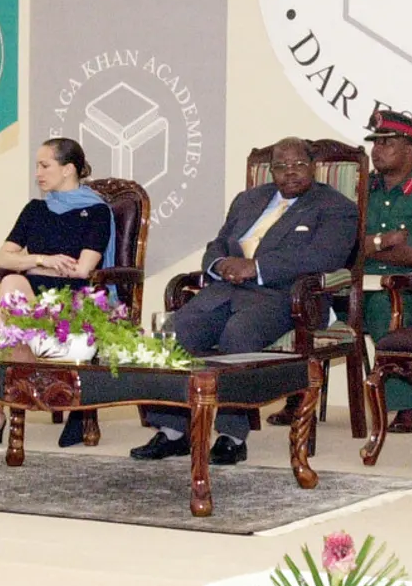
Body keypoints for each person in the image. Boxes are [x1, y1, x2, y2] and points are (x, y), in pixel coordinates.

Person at [131, 136, 357, 466]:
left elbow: (324, 257)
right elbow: (218, 243)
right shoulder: (249, 199)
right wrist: (220, 264)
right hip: (223, 291)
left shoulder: (336, 208)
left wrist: (256, 268)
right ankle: (174, 431)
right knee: (172, 331)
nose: (289, 173)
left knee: (238, 336)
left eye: (298, 165)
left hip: (284, 297)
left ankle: (231, 437)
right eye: (281, 167)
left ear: (314, 167)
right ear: (271, 171)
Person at [267, 110, 412, 433]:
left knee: (382, 306)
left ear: (410, 149)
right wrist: (386, 239)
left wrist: (369, 245)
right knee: (301, 303)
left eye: (387, 144)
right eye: (375, 144)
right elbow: (339, 245)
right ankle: (298, 396)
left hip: (409, 292)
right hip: (351, 285)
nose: (377, 151)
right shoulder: (360, 188)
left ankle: (406, 406)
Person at [0, 138, 114, 450]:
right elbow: (3, 258)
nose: (37, 172)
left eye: (44, 165)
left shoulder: (96, 212)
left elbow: (81, 270)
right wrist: (41, 260)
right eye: (37, 165)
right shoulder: (35, 209)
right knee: (10, 283)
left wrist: (32, 266)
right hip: (32, 290)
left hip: (71, 297)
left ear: (68, 169)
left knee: (8, 303)